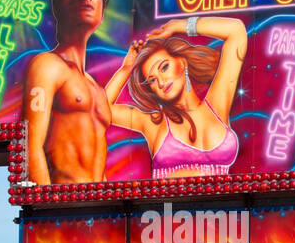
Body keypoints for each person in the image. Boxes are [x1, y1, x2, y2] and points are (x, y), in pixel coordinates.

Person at [104, 16, 246, 178]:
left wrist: (179, 25)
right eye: (152, 80)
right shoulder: (154, 123)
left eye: (164, 67)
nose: (161, 82)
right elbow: (100, 111)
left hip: (219, 203)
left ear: (182, 63)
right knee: (168, 205)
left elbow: (236, 31)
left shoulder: (216, 106)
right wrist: (126, 69)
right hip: (169, 203)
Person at [23, 0, 112, 184]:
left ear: (102, 12)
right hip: (62, 210)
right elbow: (29, 145)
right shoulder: (48, 65)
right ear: (60, 6)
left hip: (99, 210)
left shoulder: (97, 88)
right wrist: (48, 209)